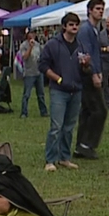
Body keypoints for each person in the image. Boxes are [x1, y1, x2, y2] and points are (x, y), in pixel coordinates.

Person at [39, 14, 83, 172]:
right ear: (64, 26)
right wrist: (58, 79)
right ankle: (50, 160)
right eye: (71, 24)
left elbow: (86, 69)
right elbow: (43, 65)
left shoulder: (80, 45)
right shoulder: (53, 44)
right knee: (56, 126)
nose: (74, 27)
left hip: (76, 90)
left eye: (76, 24)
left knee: (69, 127)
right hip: (59, 91)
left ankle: (65, 158)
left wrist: (86, 65)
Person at [74, 0, 106, 160]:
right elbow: (86, 53)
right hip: (86, 75)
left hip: (92, 72)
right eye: (97, 9)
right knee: (99, 110)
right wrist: (93, 73)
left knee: (87, 111)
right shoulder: (86, 30)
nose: (100, 11)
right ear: (90, 10)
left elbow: (96, 53)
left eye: (102, 9)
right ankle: (87, 144)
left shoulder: (95, 30)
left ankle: (81, 145)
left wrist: (99, 71)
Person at [18, 30, 48, 119]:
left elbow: (42, 56)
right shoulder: (23, 45)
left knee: (41, 94)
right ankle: (24, 112)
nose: (32, 35)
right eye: (31, 33)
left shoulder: (38, 45)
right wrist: (30, 47)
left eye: (34, 33)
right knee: (26, 94)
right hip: (29, 73)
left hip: (38, 72)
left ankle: (43, 112)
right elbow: (24, 57)